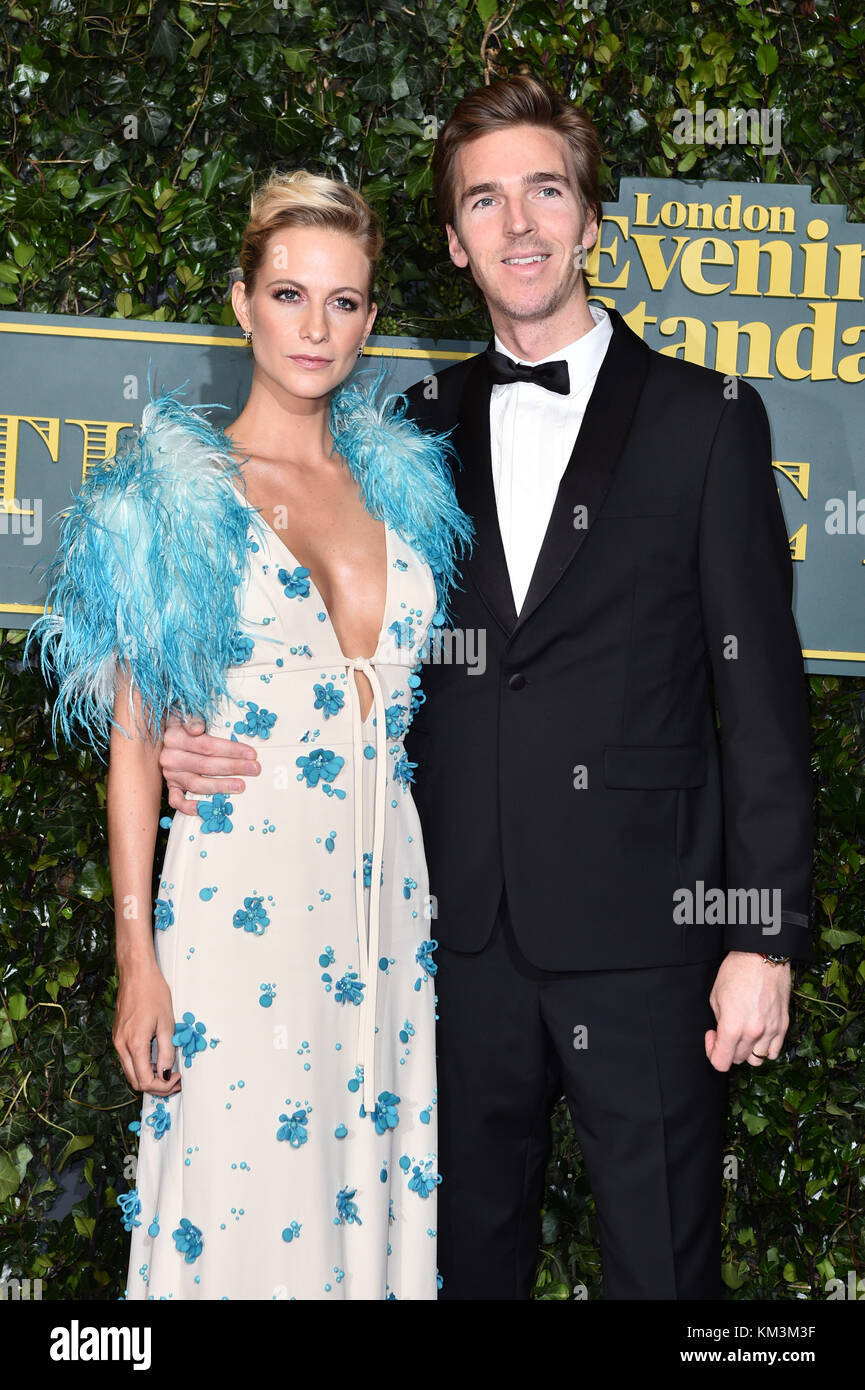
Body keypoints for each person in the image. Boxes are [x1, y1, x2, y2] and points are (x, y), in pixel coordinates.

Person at [156, 78, 814, 1300]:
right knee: (454, 1275)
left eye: (544, 191)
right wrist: (193, 730)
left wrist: (762, 935)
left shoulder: (704, 419)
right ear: (454, 242)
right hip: (443, 949)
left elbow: (762, 701)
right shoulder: (404, 435)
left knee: (665, 1281)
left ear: (589, 219)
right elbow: (323, 641)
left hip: (650, 945)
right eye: (484, 201)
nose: (519, 225)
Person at [25, 169, 472, 1300]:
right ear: (241, 302)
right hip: (239, 913)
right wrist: (138, 960)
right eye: (289, 294)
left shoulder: (405, 494)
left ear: (372, 317)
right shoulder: (172, 496)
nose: (315, 328)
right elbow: (135, 743)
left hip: (386, 918)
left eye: (345, 301)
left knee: (365, 1204)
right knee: (240, 1215)